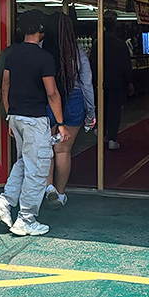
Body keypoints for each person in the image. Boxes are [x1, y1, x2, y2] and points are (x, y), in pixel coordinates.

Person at [0, 9, 69, 236]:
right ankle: (26, 219)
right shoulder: (44, 58)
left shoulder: (12, 55)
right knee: (38, 169)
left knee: (24, 162)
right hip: (35, 120)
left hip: (15, 118)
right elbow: (52, 93)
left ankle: (5, 202)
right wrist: (61, 124)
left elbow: (6, 86)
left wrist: (9, 115)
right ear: (41, 29)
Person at [43, 12, 96, 209]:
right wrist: (91, 112)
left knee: (46, 150)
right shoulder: (77, 51)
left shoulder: (43, 49)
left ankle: (48, 188)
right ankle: (61, 193)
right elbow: (87, 83)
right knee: (63, 150)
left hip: (48, 100)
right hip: (74, 100)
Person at [90, 11, 134, 150]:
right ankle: (112, 138)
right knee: (114, 109)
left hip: (100, 82)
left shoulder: (97, 44)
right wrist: (129, 81)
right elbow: (126, 64)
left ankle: (102, 132)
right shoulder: (120, 45)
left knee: (101, 108)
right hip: (116, 82)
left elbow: (92, 63)